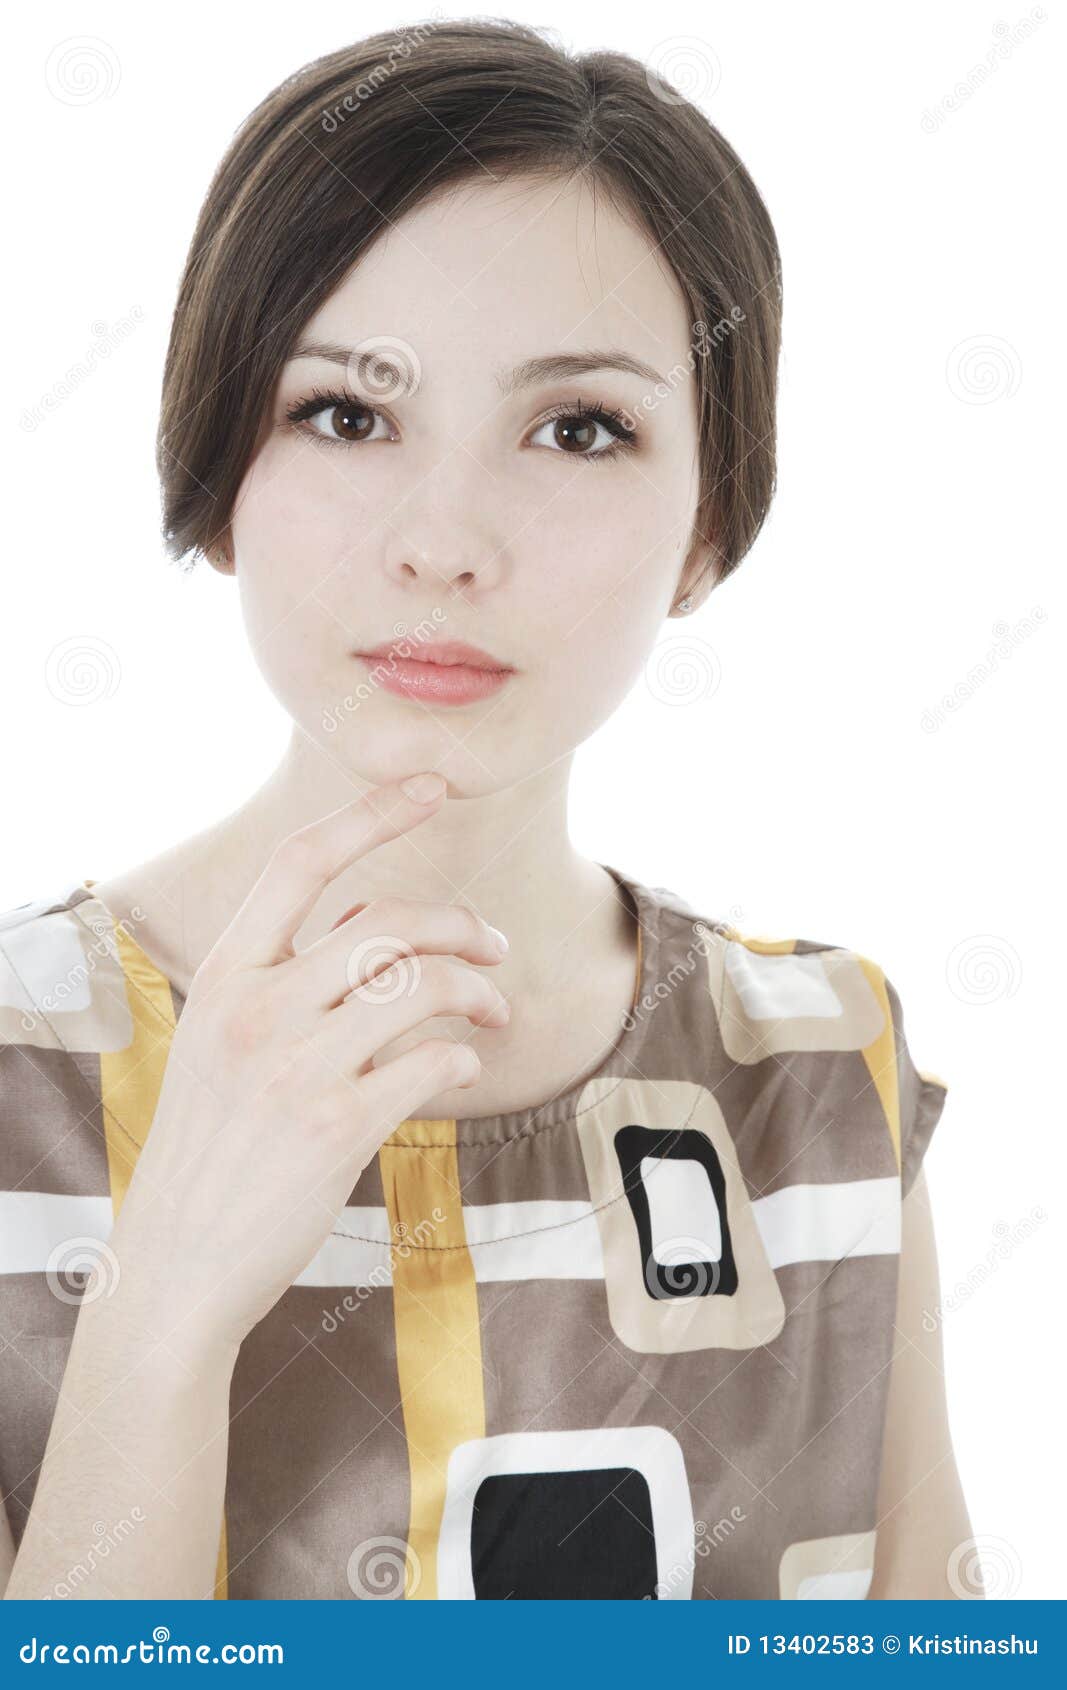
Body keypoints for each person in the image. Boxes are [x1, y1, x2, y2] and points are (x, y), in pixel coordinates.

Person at [0, 18, 974, 1601]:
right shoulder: (12, 1074)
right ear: (221, 467)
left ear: (708, 521)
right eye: (347, 413)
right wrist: (166, 1294)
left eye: (578, 427)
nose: (443, 540)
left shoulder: (824, 1075)